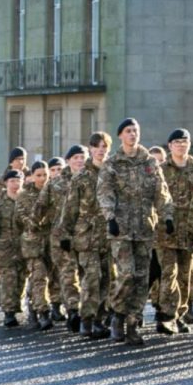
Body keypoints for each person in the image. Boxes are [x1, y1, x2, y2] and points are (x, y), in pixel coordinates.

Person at [99, 117, 171, 346]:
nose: (133, 134)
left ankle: (133, 323)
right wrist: (110, 217)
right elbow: (104, 192)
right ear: (120, 135)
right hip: (120, 228)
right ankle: (118, 315)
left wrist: (167, 216)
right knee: (126, 273)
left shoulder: (149, 161)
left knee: (142, 278)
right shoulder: (112, 163)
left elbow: (162, 191)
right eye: (129, 131)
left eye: (136, 131)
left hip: (144, 228)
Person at [62, 133, 115, 339]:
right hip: (86, 235)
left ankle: (100, 320)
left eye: (104, 146)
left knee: (107, 280)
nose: (101, 150)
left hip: (109, 236)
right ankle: (87, 319)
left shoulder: (112, 173)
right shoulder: (82, 176)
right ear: (90, 149)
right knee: (92, 279)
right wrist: (65, 233)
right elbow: (70, 207)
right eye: (97, 146)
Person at [155, 128, 193, 335]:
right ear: (170, 146)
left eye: (184, 142)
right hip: (165, 233)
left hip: (191, 233)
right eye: (176, 142)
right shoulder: (160, 170)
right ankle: (166, 316)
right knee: (169, 274)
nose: (181, 145)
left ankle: (179, 313)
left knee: (186, 278)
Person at [48, 145, 89, 331]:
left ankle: (89, 311)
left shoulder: (93, 179)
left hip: (87, 236)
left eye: (82, 157)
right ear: (69, 160)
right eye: (76, 157)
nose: (79, 160)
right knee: (68, 275)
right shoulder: (56, 183)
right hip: (62, 237)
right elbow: (40, 207)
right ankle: (73, 310)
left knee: (88, 276)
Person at [0, 168, 27, 328]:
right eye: (12, 181)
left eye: (18, 181)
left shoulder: (27, 202)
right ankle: (8, 312)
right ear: (6, 183)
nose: (15, 184)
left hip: (25, 247)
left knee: (21, 279)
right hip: (4, 248)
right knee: (8, 280)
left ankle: (16, 306)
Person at [17, 162, 56, 329]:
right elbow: (21, 217)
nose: (42, 179)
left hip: (51, 241)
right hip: (33, 242)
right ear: (32, 176)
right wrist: (35, 221)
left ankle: (34, 304)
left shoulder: (54, 192)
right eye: (38, 175)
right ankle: (43, 312)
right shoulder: (24, 195)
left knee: (51, 278)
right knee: (39, 276)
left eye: (45, 175)